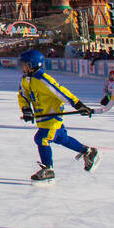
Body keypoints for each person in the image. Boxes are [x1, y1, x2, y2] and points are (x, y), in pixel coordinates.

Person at [17, 48, 98, 182]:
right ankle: (88, 152)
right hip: (42, 118)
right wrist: (26, 109)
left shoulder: (43, 79)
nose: (22, 66)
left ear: (32, 64)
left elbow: (61, 92)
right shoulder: (25, 79)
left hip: (52, 116)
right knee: (61, 138)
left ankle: (48, 169)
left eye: (24, 64)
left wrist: (78, 104)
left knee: (41, 138)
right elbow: (23, 95)